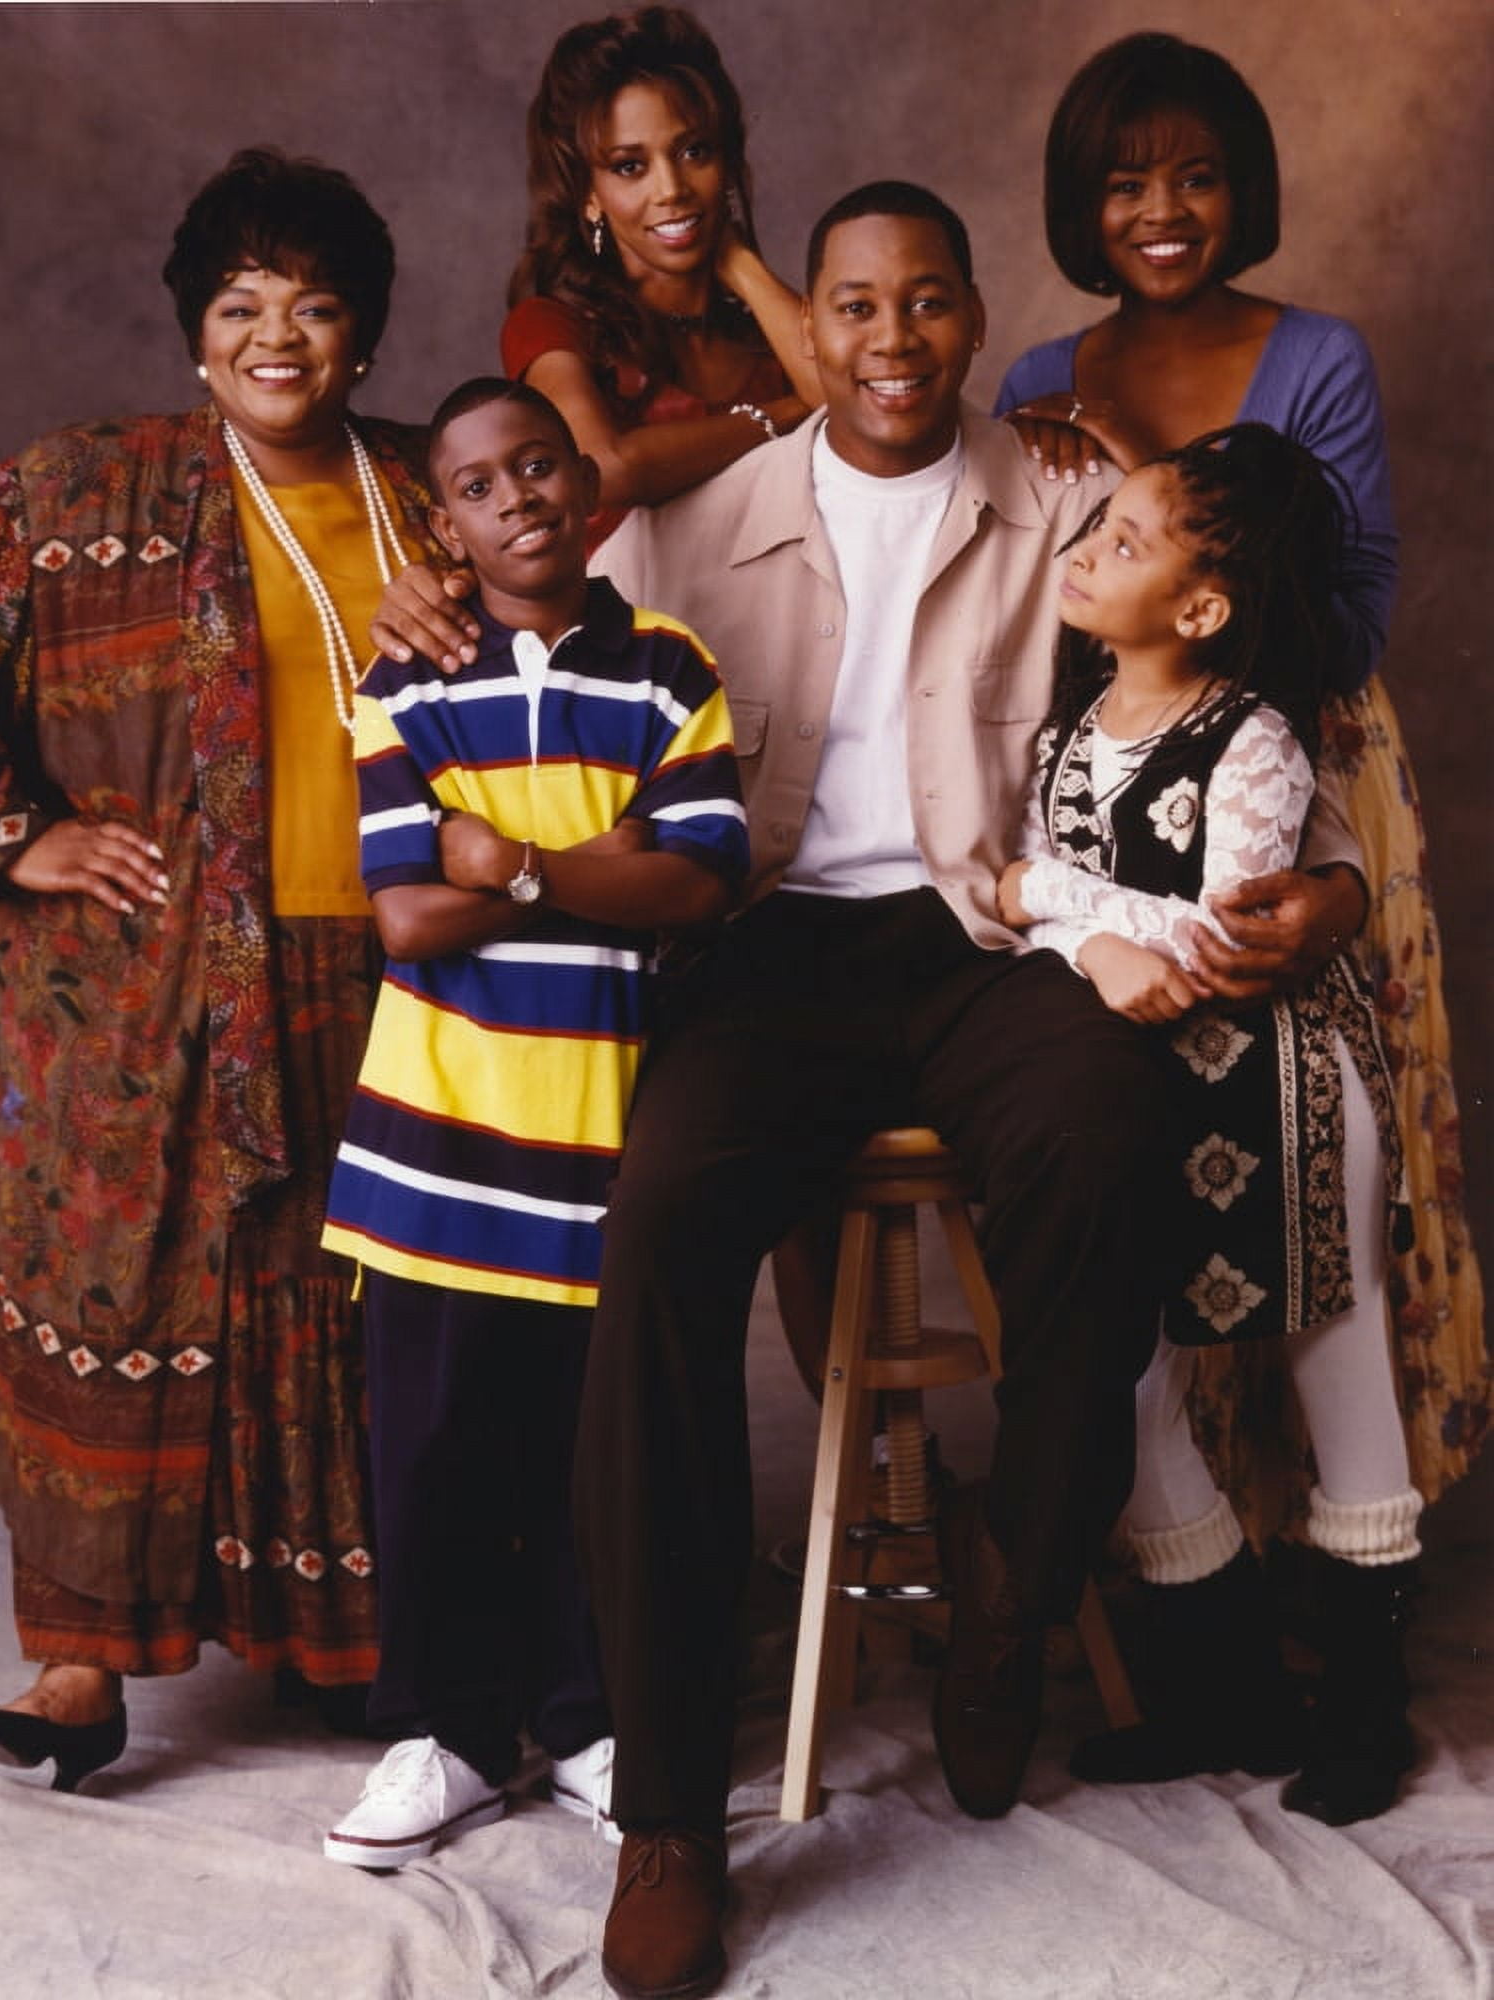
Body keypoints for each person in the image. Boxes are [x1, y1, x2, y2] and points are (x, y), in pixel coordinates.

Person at [371, 180, 1366, 2000]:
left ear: (975, 318)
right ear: (804, 329)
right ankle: (670, 1806)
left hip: (990, 938)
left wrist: (1338, 879)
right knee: (652, 1232)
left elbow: (1231, 665)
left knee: (1103, 1139)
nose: (890, 340)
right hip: (767, 950)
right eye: (852, 307)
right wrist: (435, 593)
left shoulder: (1061, 492)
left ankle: (1012, 1588)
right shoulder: (695, 514)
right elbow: (544, 629)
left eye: (925, 303)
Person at [0, 148, 432, 1792]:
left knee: (349, 1301)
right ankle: (78, 1675)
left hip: (400, 969)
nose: (280, 337)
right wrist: (13, 837)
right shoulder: (83, 492)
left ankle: (354, 1651)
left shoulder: (432, 489)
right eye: (244, 307)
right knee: (129, 1286)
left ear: (362, 336)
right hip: (144, 995)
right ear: (197, 335)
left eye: (317, 308)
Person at [995, 30, 1487, 1539]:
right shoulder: (1029, 378)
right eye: (1127, 180)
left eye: (1198, 178)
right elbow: (1041, 631)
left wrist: (1159, 478)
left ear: (1244, 193)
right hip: (1114, 787)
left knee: (1323, 1154)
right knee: (1150, 1183)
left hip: (1304, 767)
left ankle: (1351, 1531)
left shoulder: (1318, 354)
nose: (1163, 209)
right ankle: (1212, 1565)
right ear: (1082, 201)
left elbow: (1338, 618)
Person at [319, 377, 746, 1868]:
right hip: (434, 1139)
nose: (520, 501)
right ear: (449, 522)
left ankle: (580, 1721)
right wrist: (580, 862)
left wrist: (512, 865)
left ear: (585, 481)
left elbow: (698, 883)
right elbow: (407, 916)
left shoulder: (671, 668)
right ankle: (442, 1732)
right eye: (483, 488)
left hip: (602, 1129)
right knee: (436, 1447)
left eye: (541, 468)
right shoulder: (404, 689)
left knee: (588, 1450)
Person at [998, 424, 1421, 1827]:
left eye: (1124, 543)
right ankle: (1226, 1686)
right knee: (1125, 1377)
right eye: (1093, 530)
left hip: (1286, 1086)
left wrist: (1039, 897)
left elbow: (1209, 934)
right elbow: (1061, 943)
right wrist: (1046, 916)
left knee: (1334, 1366)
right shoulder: (1063, 736)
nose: (1084, 554)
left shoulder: (1255, 740)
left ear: (1201, 607)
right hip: (1142, 1097)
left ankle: (1366, 1714)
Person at [499, 4, 818, 551]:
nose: (672, 188)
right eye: (630, 166)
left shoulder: (765, 328)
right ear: (589, 193)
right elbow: (605, 469)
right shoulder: (552, 328)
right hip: (631, 631)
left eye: (694, 152)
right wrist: (790, 414)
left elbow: (852, 397)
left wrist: (740, 264)